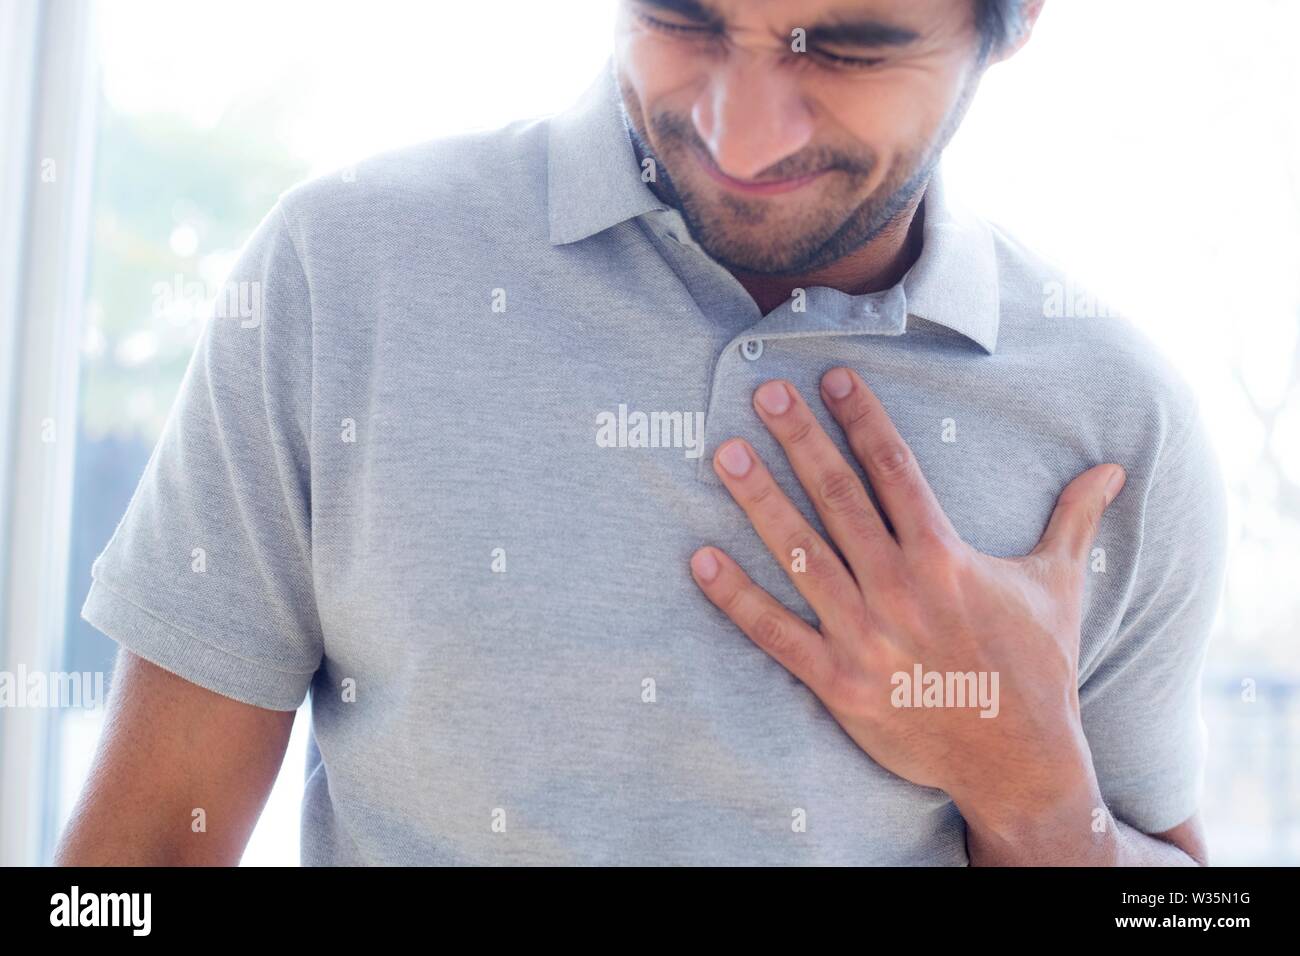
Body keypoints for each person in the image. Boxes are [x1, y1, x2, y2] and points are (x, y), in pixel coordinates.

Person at [57, 0, 1226, 866]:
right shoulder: (345, 269)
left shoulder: (1114, 417)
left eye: (853, 46)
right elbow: (130, 865)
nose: (743, 133)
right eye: (683, 18)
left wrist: (1031, 790)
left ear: (1005, 28)